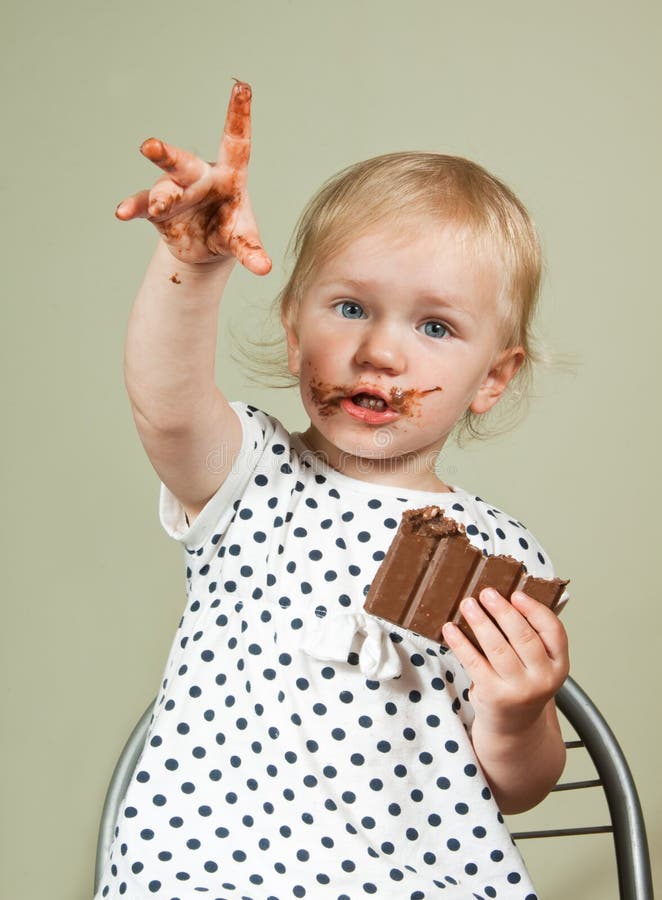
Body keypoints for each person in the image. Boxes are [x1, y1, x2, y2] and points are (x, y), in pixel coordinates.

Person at [97, 80, 569, 900]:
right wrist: (192, 266)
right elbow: (167, 410)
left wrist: (519, 713)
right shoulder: (250, 480)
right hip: (210, 876)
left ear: (492, 378)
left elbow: (517, 788)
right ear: (293, 332)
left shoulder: (500, 554)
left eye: (434, 326)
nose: (380, 351)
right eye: (350, 307)